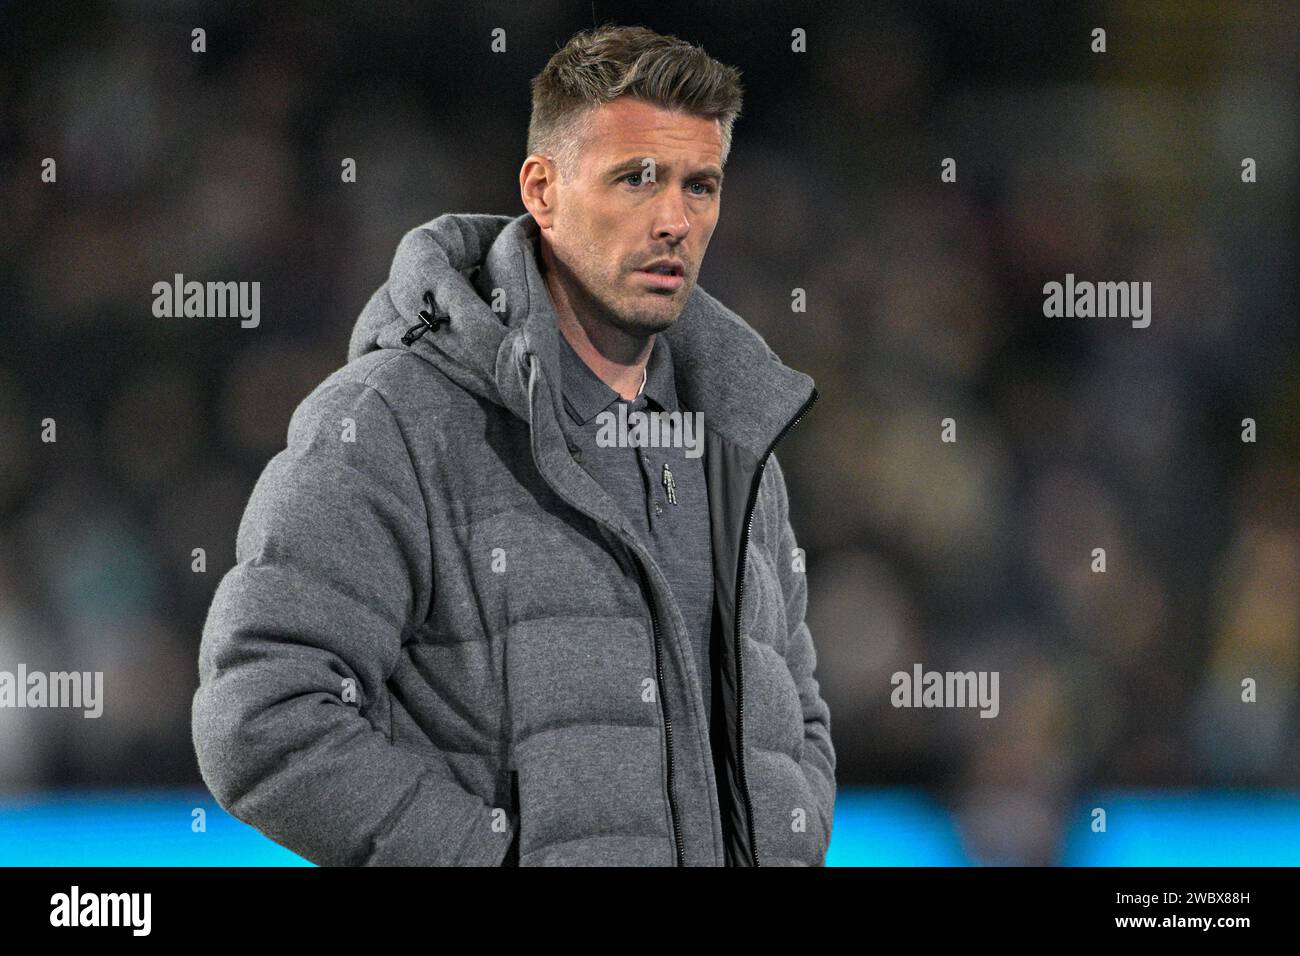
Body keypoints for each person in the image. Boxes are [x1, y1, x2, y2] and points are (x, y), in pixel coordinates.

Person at [192, 23, 835, 866]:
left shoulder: (732, 439)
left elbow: (798, 719)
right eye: (637, 179)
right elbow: (260, 717)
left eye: (700, 185)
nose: (675, 219)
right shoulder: (387, 422)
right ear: (543, 188)